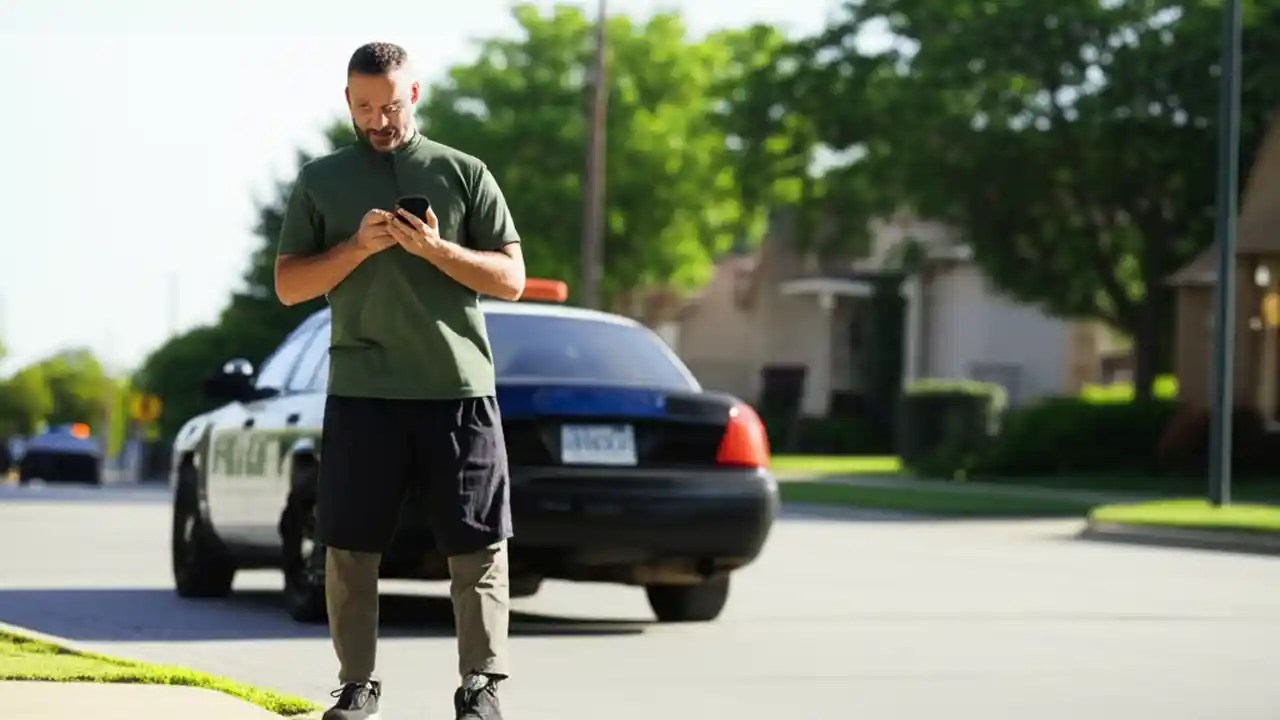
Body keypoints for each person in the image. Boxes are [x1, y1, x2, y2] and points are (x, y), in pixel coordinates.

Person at [274, 41, 524, 720]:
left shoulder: (465, 173)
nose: (378, 120)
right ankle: (357, 686)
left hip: (458, 391)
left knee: (477, 546)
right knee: (349, 547)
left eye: (389, 105)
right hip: (363, 393)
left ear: (413, 95)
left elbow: (512, 278)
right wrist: (355, 247)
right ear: (348, 103)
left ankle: (481, 688)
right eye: (364, 108)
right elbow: (290, 285)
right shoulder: (321, 182)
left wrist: (436, 250)